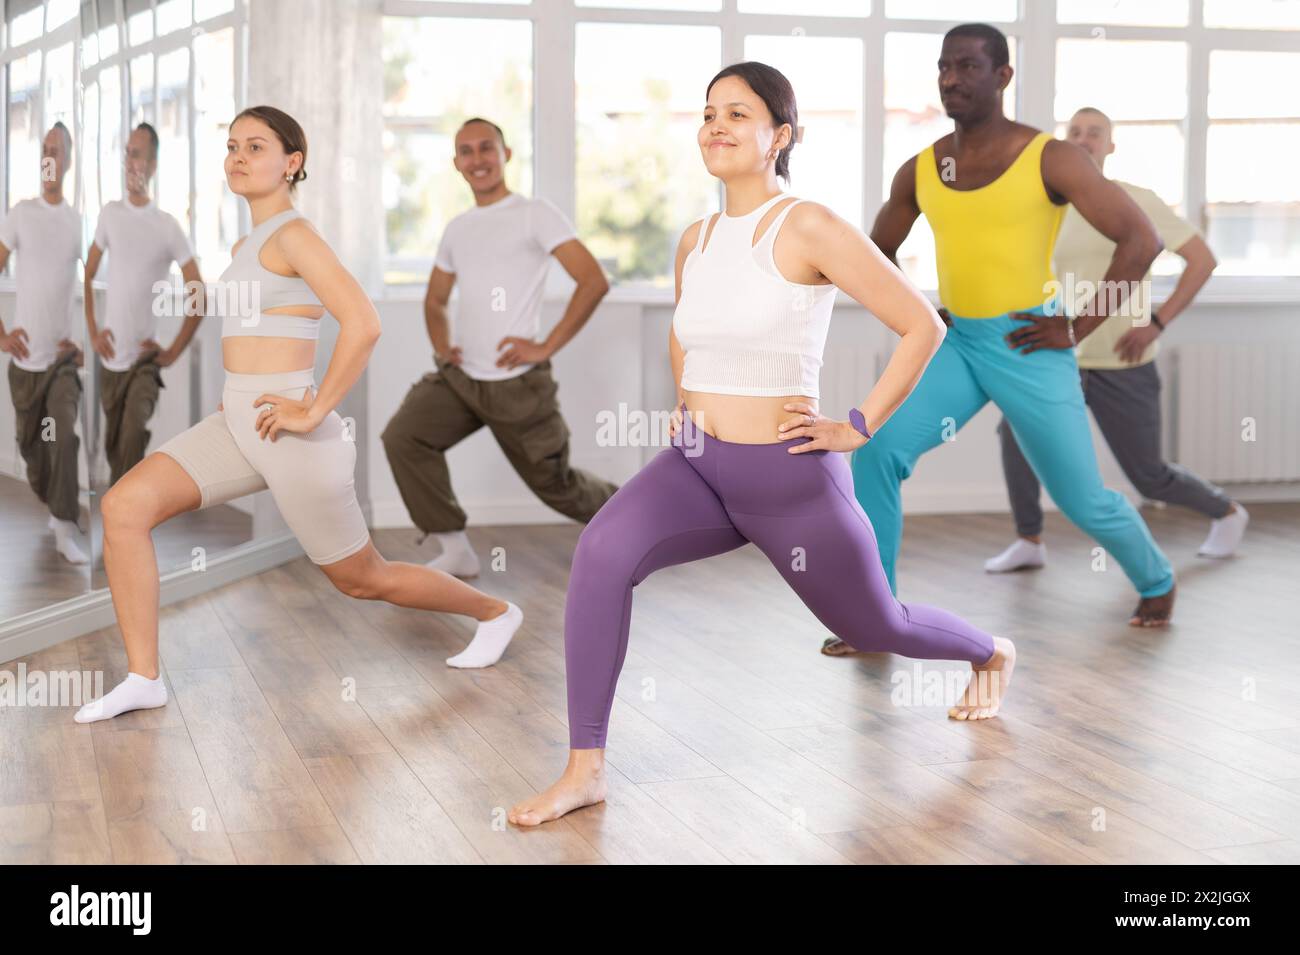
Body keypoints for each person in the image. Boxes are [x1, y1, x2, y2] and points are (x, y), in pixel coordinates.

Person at [507, 62, 1016, 828]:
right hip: (698, 468)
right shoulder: (697, 239)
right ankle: (585, 768)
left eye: (737, 114)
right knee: (601, 554)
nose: (715, 124)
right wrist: (686, 401)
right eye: (708, 111)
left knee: (874, 626)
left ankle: (989, 652)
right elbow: (687, 337)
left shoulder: (807, 224)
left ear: (780, 136)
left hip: (791, 482)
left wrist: (859, 424)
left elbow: (923, 324)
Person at [75, 106, 524, 725]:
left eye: (255, 147)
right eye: (232, 145)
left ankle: (495, 614)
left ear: (292, 163)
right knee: (124, 507)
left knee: (362, 578)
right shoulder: (245, 244)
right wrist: (233, 394)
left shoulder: (294, 235)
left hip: (290, 434)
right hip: (239, 422)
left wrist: (313, 409)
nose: (238, 156)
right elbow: (254, 330)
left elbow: (363, 322)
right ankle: (143, 677)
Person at [827, 23, 1176, 659]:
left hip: (1029, 344)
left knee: (1081, 498)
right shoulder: (924, 168)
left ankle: (1157, 580)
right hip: (959, 346)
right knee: (875, 455)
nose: (952, 79)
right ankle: (875, 615)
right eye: (943, 67)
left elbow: (1141, 241)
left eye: (967, 66)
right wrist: (923, 317)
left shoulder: (1052, 157)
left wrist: (1074, 327)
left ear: (1003, 77)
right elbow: (876, 253)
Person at [986, 106, 1246, 573]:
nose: (1084, 140)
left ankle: (1226, 512)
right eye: (1075, 132)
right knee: (1014, 434)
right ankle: (1029, 538)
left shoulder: (1137, 199)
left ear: (1110, 146)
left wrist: (1158, 322)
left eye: (1095, 133)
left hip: (1122, 361)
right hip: (1059, 355)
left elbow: (1202, 260)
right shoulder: (1045, 207)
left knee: (1148, 475)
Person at [382, 117, 618, 578]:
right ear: (456, 164)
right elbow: (434, 299)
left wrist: (544, 345)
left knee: (558, 485)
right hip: (461, 378)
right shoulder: (458, 228)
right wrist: (442, 344)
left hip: (517, 385)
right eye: (466, 152)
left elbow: (593, 281)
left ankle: (641, 522)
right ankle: (455, 549)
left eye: (486, 148)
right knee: (404, 437)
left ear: (506, 154)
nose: (477, 159)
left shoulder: (535, 213)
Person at [85, 122, 205, 485]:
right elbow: (87, 275)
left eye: (136, 154)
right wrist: (92, 330)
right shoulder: (109, 214)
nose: (129, 162)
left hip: (143, 363)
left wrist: (170, 352)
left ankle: (123, 527)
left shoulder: (166, 226)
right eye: (126, 153)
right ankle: (123, 514)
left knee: (134, 435)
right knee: (115, 447)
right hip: (110, 361)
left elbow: (198, 292)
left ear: (152, 165)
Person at [0, 123, 87, 564]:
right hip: (24, 367)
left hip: (61, 364)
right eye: (44, 149)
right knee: (33, 452)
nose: (49, 156)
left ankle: (66, 524)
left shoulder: (75, 222)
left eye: (57, 149)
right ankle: (52, 501)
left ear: (68, 160)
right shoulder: (20, 214)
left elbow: (90, 284)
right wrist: (1, 335)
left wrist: (85, 340)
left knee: (64, 436)